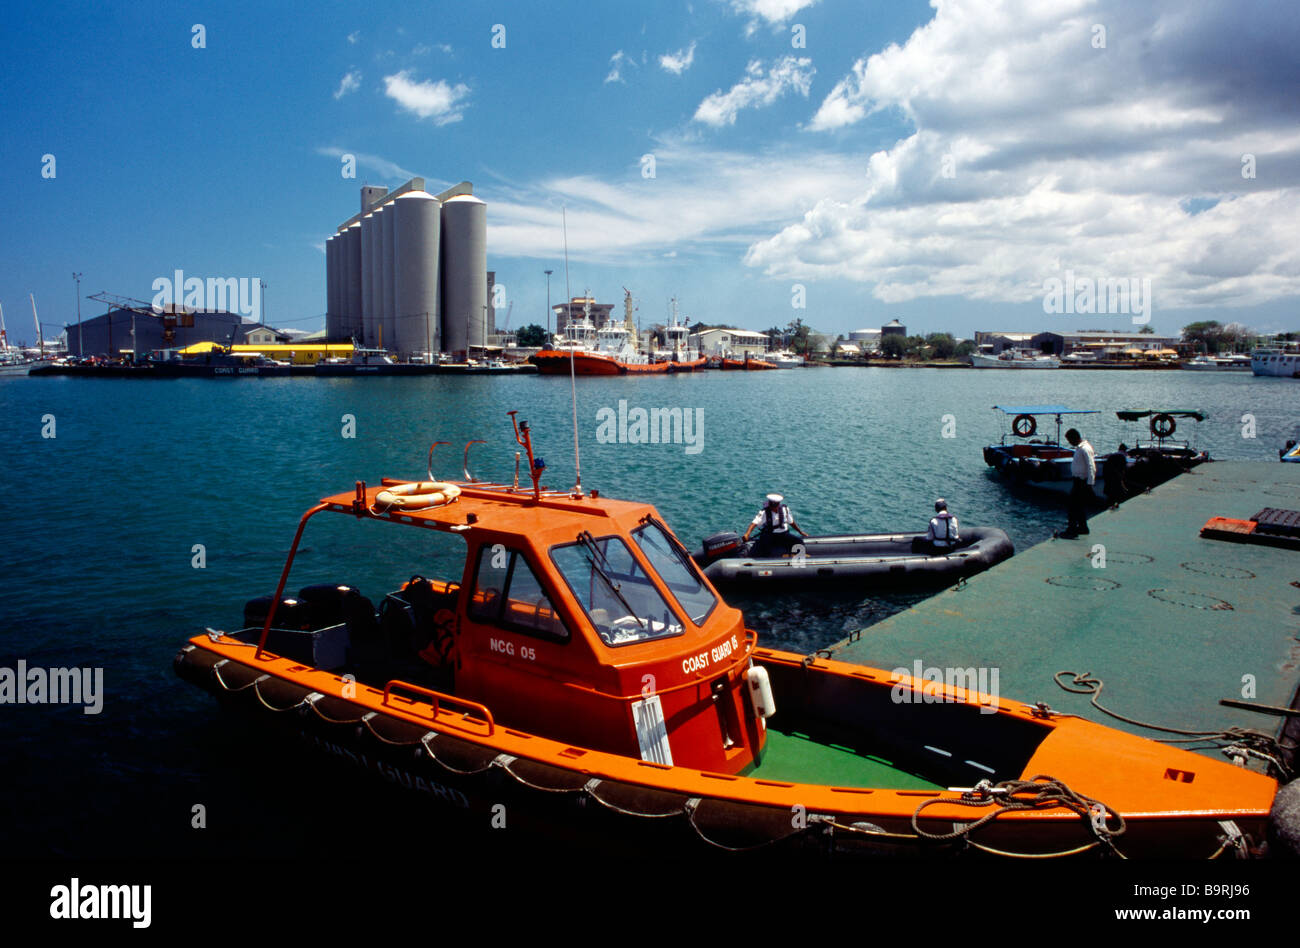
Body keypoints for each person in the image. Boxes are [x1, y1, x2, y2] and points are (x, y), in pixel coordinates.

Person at [742, 493, 806, 557]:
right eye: (771, 505)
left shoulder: (785, 509)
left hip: (783, 534)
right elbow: (754, 523)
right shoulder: (764, 512)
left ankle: (794, 555)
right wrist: (747, 534)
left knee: (799, 541)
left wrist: (800, 532)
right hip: (770, 534)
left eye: (775, 505)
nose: (773, 508)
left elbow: (791, 522)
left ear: (778, 504)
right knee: (764, 548)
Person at [1061, 428, 1095, 538]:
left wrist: (1090, 483)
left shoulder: (1084, 448)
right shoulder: (1080, 448)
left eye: (1070, 440)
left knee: (1073, 506)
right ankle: (1082, 527)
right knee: (1079, 506)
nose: (1069, 443)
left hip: (1081, 481)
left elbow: (1091, 466)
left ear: (1074, 438)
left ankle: (1071, 530)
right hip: (1078, 480)